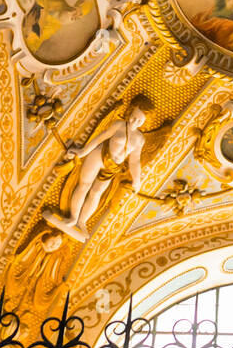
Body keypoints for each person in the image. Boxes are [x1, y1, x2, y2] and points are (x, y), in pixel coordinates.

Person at [44, 94, 154, 243]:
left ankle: (82, 221)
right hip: (100, 155)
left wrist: (137, 180)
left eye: (140, 120)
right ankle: (73, 217)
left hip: (114, 166)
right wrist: (83, 151)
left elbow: (135, 161)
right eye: (134, 117)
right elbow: (100, 138)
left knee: (96, 193)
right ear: (130, 111)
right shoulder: (119, 125)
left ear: (145, 121)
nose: (135, 121)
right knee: (84, 185)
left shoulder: (140, 139)